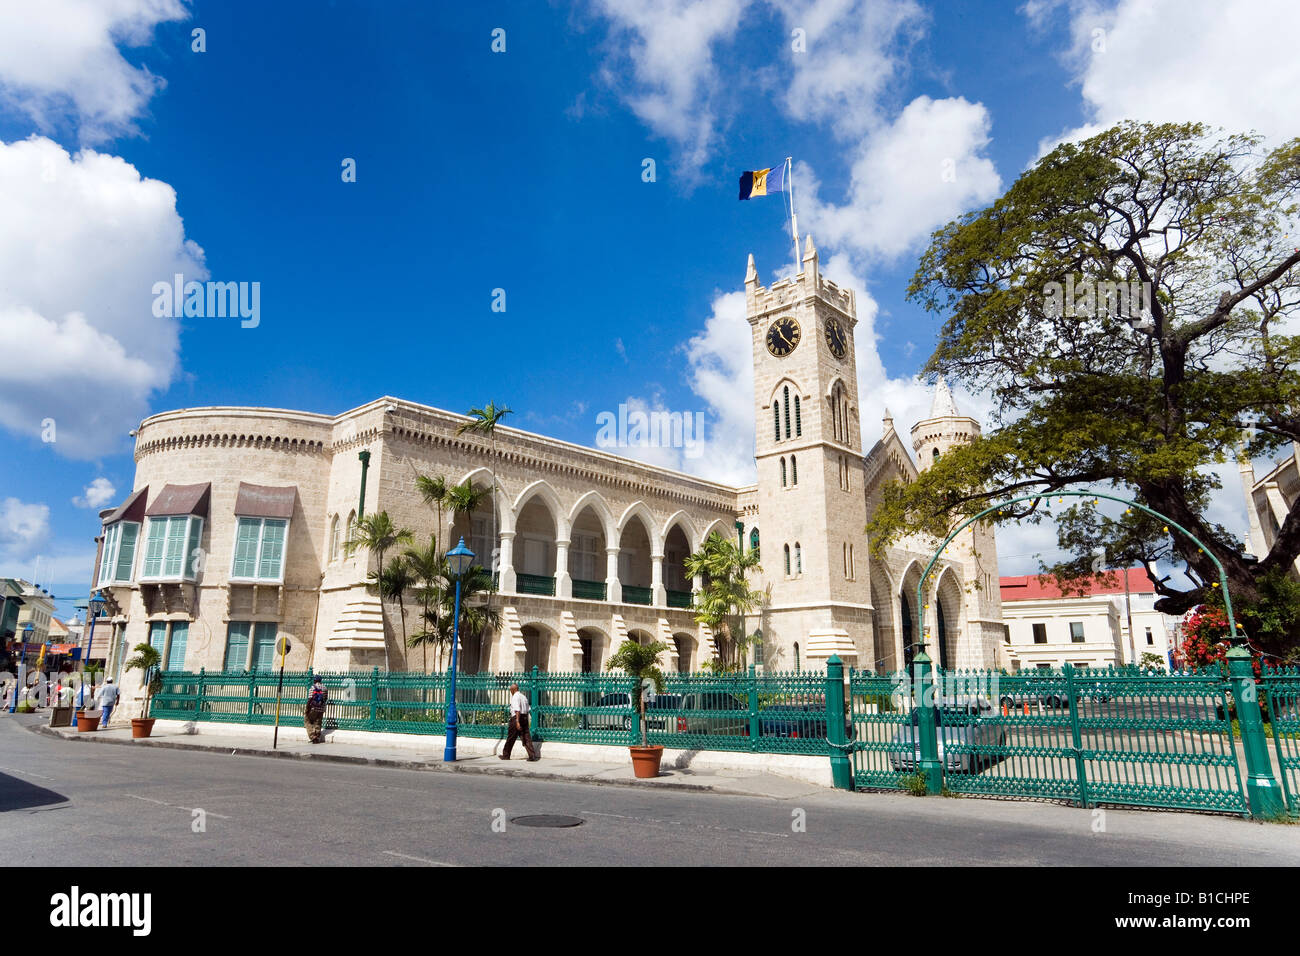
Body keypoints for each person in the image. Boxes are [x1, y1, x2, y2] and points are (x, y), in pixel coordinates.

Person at [500, 682, 538, 761]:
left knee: (511, 737)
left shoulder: (515, 697)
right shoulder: (523, 696)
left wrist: (517, 722)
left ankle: (506, 755)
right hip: (524, 717)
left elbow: (517, 710)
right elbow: (528, 710)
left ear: (513, 690)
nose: (510, 692)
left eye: (511, 690)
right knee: (526, 737)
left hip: (516, 718)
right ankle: (532, 755)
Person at [304, 677, 328, 743]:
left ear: (315, 680)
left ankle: (312, 736)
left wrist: (307, 709)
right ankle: (317, 736)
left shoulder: (313, 687)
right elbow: (325, 698)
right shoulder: (325, 688)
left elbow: (310, 699)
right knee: (318, 722)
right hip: (321, 708)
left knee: (307, 720)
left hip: (313, 708)